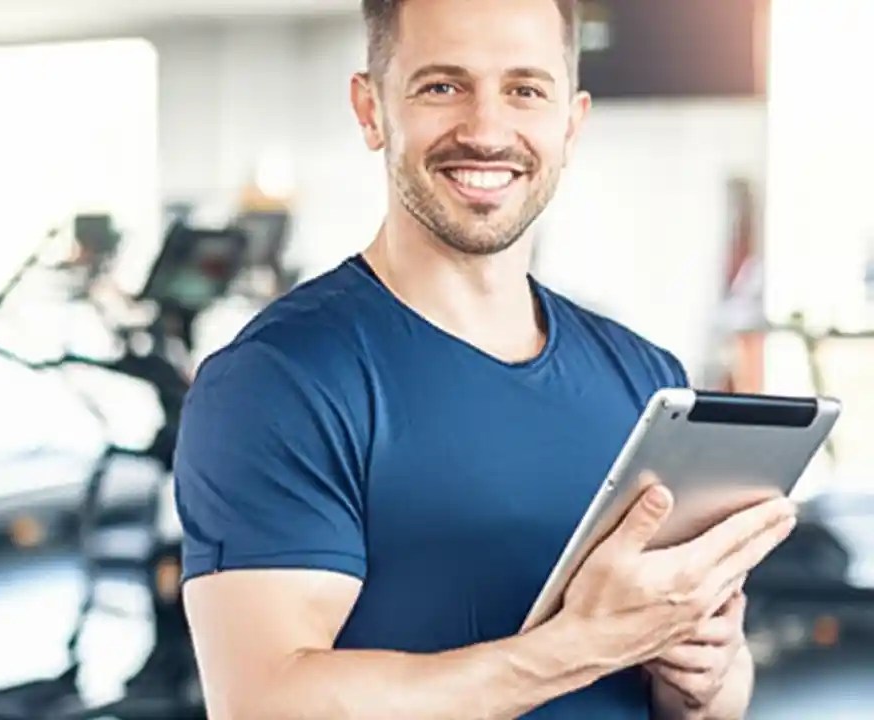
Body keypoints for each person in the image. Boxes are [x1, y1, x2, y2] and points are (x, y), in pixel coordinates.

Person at [172, 0, 798, 718]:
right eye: (443, 86)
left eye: (525, 90)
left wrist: (706, 672)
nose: (486, 130)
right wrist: (580, 645)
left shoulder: (648, 380)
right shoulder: (277, 382)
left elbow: (711, 698)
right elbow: (265, 707)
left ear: (571, 122)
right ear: (371, 109)